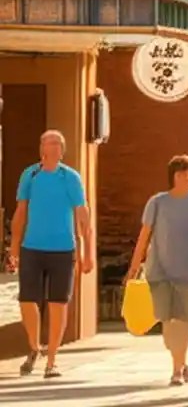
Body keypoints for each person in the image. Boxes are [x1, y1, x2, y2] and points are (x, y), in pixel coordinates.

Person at [5, 130, 92, 379]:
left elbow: (82, 215)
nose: (51, 146)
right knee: (27, 300)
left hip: (63, 249)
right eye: (47, 142)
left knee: (58, 304)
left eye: (56, 143)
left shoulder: (71, 177)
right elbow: (21, 212)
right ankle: (34, 347)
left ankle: (52, 360)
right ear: (41, 148)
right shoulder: (29, 175)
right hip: (32, 247)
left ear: (61, 150)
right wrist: (14, 247)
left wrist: (86, 252)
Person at [124, 155, 188, 386]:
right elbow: (144, 237)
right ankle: (181, 361)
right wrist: (134, 269)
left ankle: (176, 369)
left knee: (184, 320)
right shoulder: (157, 202)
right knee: (167, 321)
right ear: (176, 176)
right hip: (159, 271)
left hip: (187, 271)